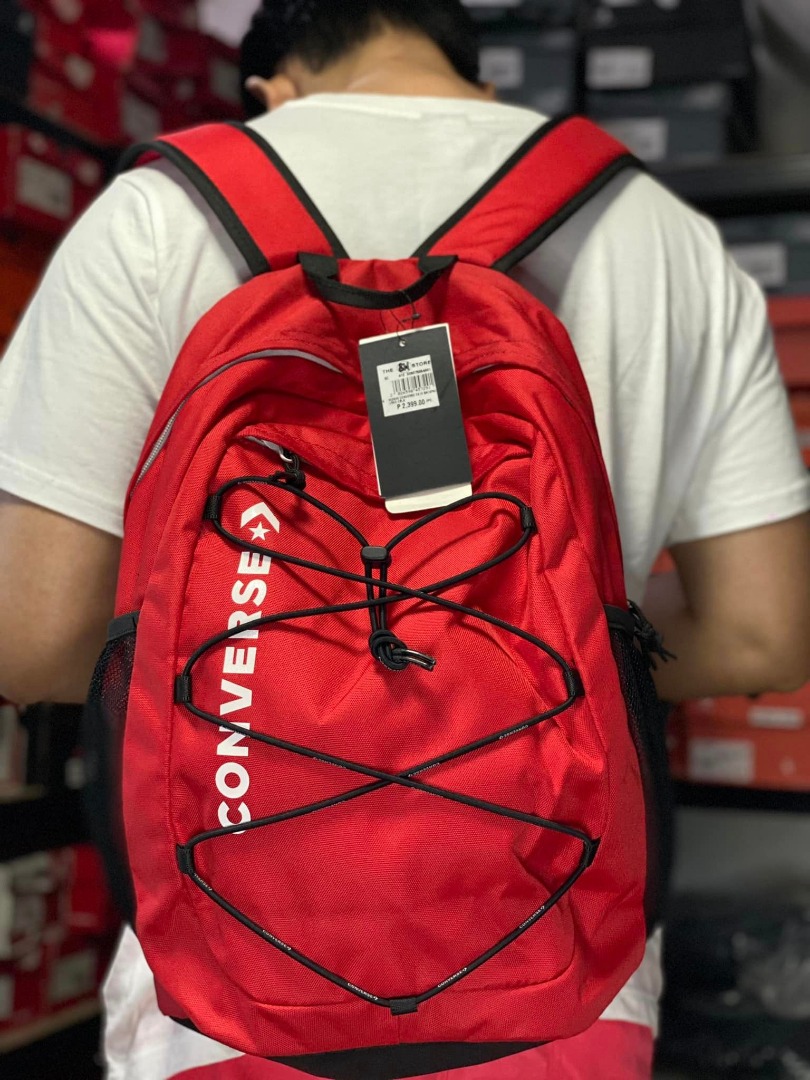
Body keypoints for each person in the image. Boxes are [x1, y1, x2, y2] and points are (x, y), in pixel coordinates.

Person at [1, 1, 809, 1076]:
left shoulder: (153, 215)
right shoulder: (662, 231)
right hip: (559, 960)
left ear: (273, 88)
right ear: (481, 83)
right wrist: (528, 645)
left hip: (236, 970)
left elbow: (38, 639)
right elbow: (762, 634)